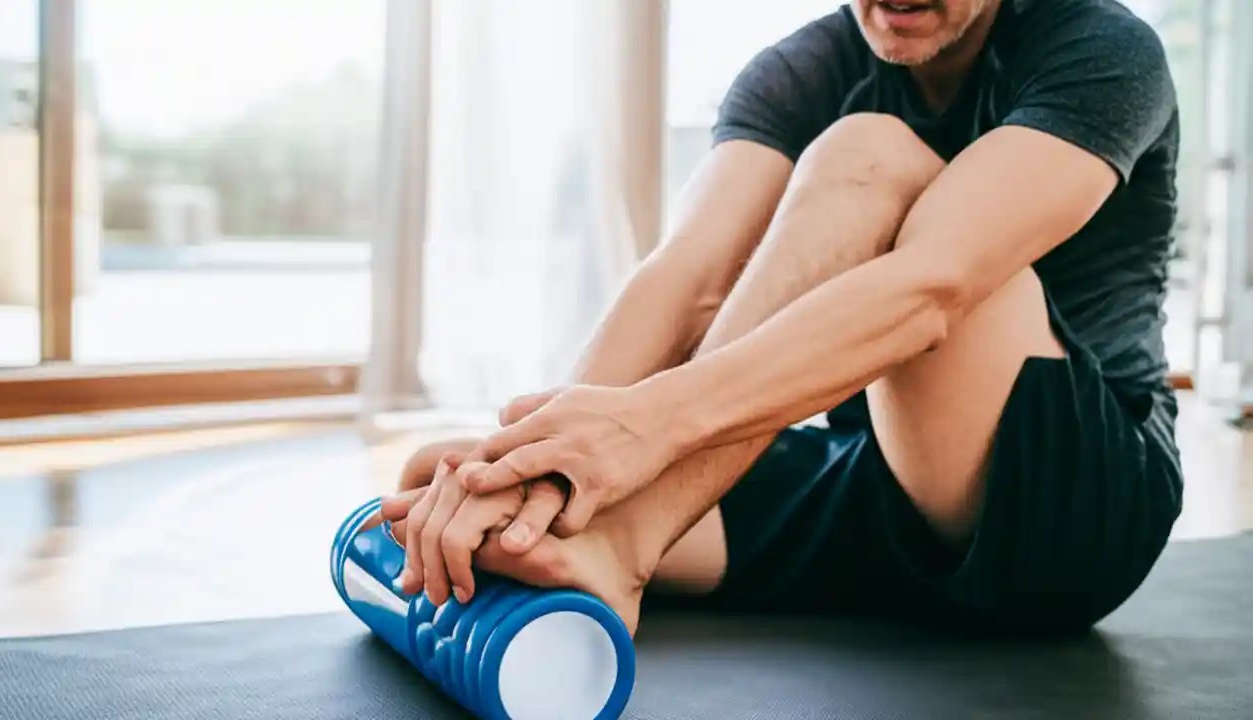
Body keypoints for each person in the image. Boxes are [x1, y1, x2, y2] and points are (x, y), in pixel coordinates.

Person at [379, 0, 1183, 635]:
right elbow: (685, 276)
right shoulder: (805, 67)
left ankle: (629, 543)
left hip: (1073, 510)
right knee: (462, 494)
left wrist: (640, 433)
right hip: (869, 484)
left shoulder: (1101, 50)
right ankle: (603, 531)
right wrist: (535, 471)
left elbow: (930, 291)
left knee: (868, 153)